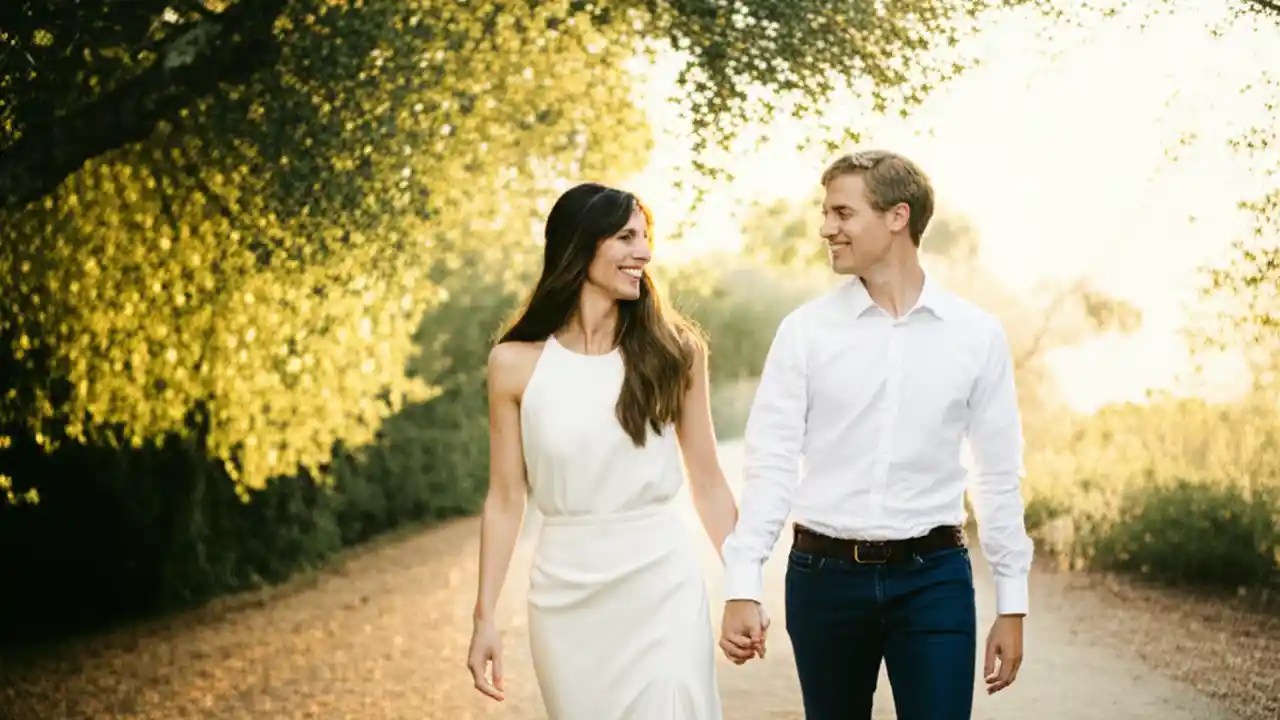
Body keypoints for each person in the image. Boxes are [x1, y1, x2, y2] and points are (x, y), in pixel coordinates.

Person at [718, 150, 1035, 719]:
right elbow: (771, 465)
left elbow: (997, 472)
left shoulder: (975, 335)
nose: (826, 228)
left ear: (897, 217)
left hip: (934, 580)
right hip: (824, 581)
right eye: (825, 213)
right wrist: (743, 582)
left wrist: (1012, 603)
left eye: (842, 213)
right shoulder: (805, 333)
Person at [466, 182, 737, 719]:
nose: (645, 252)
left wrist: (744, 586)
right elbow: (505, 499)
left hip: (662, 581)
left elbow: (708, 482)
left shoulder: (675, 352)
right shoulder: (514, 364)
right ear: (580, 244)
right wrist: (484, 617)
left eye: (646, 237)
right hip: (565, 593)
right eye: (626, 237)